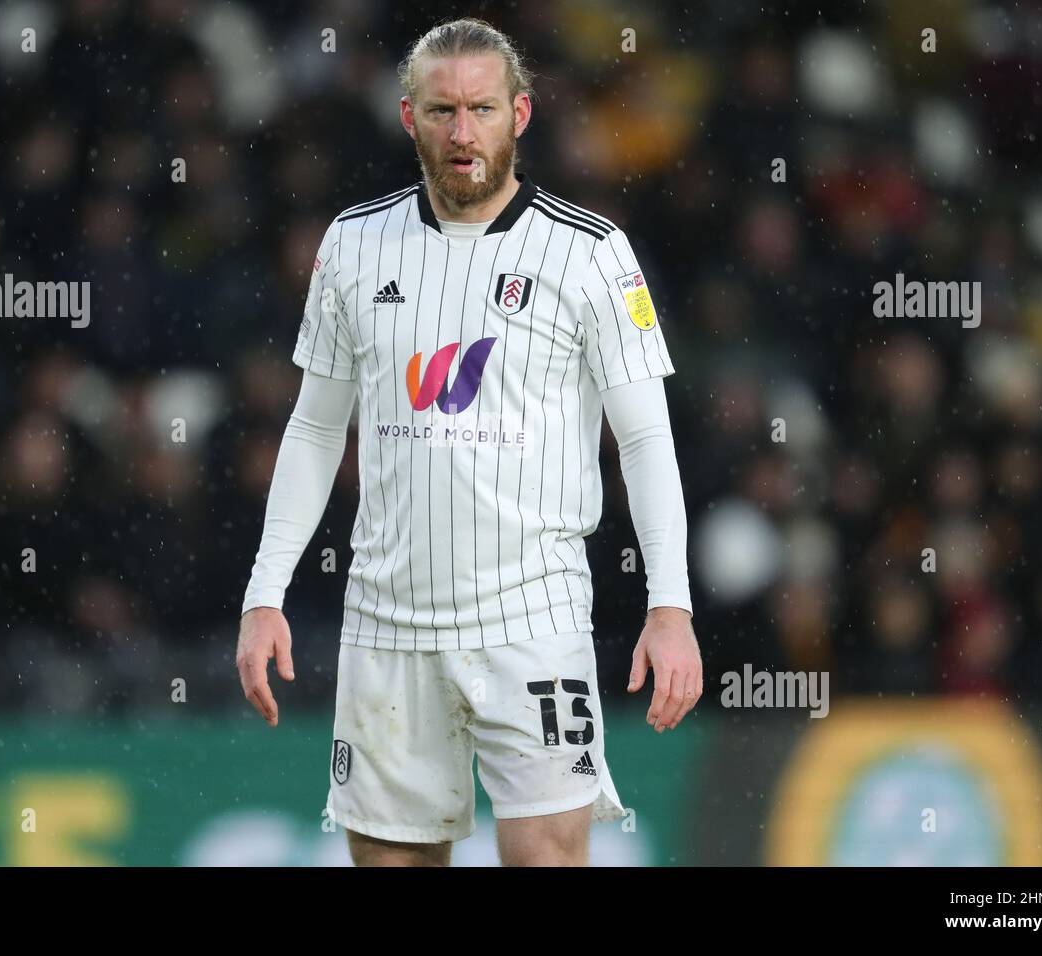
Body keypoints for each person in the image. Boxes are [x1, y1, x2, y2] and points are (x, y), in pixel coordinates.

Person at [236, 17, 701, 867]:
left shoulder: (593, 255)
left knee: (547, 860)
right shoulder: (352, 244)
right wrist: (264, 592)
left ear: (519, 115)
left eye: (481, 109)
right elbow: (311, 428)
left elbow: (644, 439)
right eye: (442, 110)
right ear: (408, 116)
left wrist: (670, 606)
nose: (462, 132)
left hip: (534, 616)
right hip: (386, 622)